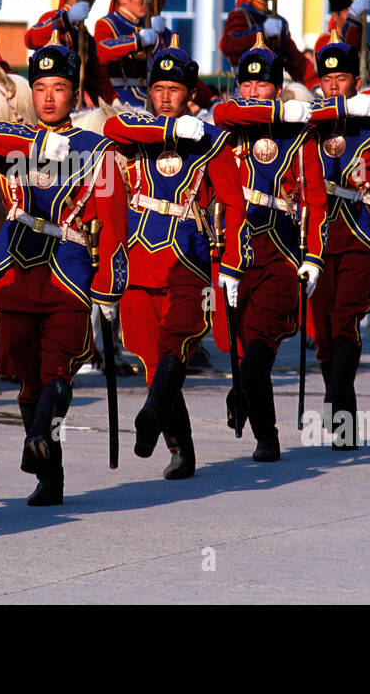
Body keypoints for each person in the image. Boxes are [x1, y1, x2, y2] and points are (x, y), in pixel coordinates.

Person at [0, 32, 129, 506]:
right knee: (26, 377)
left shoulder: (97, 151)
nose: (49, 97)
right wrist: (32, 140)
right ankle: (49, 472)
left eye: (59, 88)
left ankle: (40, 441)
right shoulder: (15, 141)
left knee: (59, 368)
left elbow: (113, 224)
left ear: (74, 94)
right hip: (19, 269)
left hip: (69, 269)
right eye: (40, 89)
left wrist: (109, 288)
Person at [103, 37, 246, 478]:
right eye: (158, 89)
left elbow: (234, 203)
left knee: (176, 344)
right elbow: (111, 131)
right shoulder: (136, 131)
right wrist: (169, 131)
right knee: (148, 356)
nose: (165, 98)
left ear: (190, 95)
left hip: (189, 259)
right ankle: (180, 448)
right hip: (141, 261)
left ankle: (150, 414)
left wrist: (235, 264)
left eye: (175, 90)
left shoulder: (211, 141)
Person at [212, 35, 331, 458]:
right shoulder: (227, 123)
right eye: (246, 84)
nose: (251, 92)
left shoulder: (300, 135)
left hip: (280, 245)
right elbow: (222, 108)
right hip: (231, 248)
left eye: (261, 86)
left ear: (277, 89)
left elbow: (316, 200)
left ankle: (242, 398)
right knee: (240, 341)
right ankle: (268, 434)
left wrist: (314, 257)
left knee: (261, 340)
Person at [304, 31, 370, 447]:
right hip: (316, 239)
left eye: (341, 79)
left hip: (359, 233)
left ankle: (334, 401)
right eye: (327, 81)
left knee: (347, 321)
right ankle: (342, 410)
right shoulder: (307, 119)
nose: (333, 87)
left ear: (354, 81)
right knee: (323, 330)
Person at [24, 0, 116, 108]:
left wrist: (115, 104)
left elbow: (98, 82)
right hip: (49, 104)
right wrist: (67, 19)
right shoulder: (53, 20)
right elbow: (31, 38)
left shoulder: (86, 37)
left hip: (75, 106)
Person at [221, 0, 323, 92]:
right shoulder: (241, 15)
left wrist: (315, 84)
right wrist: (261, 31)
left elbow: (296, 62)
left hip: (274, 90)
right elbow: (228, 45)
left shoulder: (279, 21)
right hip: (246, 91)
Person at [94, 0, 169, 107]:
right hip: (121, 97)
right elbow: (101, 51)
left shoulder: (147, 25)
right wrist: (137, 40)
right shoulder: (108, 24)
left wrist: (161, 35)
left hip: (148, 95)